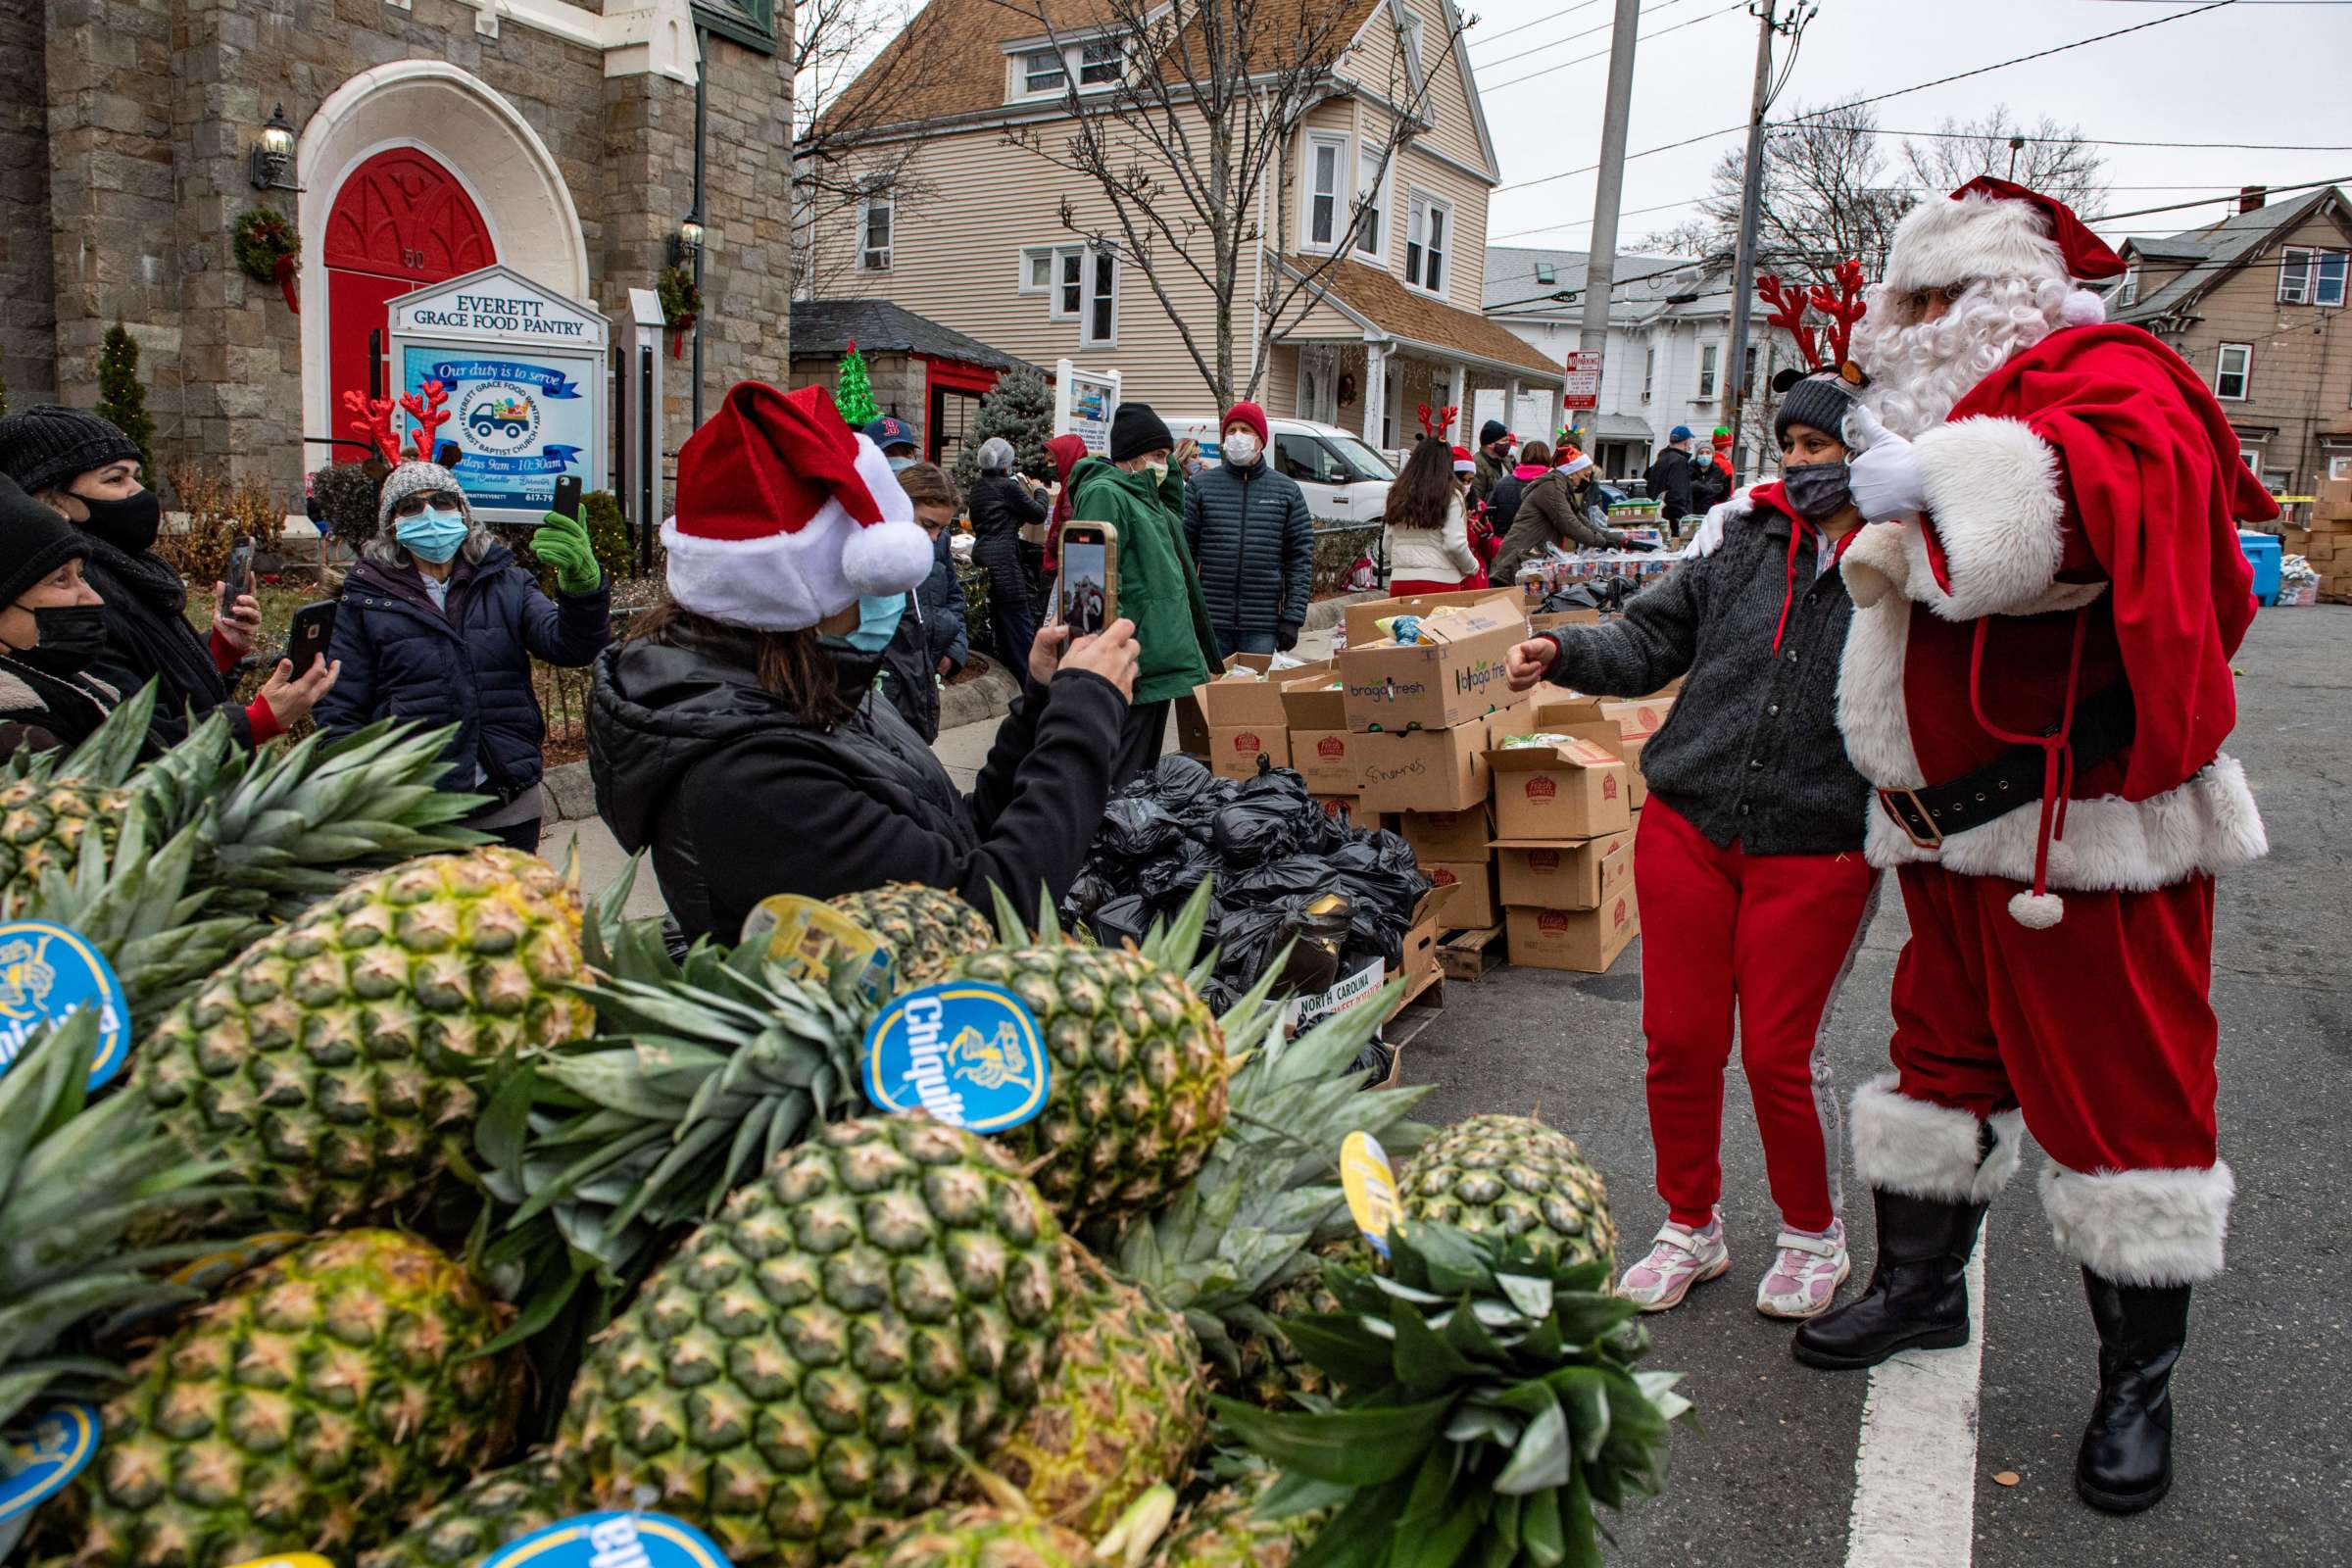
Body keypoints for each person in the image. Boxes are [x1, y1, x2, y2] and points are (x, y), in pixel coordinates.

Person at [1783, 179, 2273, 1516]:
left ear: (2011, 294)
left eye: (1942, 297)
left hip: (2085, 826)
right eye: (1907, 298)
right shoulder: (1950, 399)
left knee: (2125, 1092)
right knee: (1941, 1059)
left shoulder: (2112, 375)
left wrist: (1940, 475)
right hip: (1949, 822)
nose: (1915, 321)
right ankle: (1920, 1286)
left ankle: (2137, 1386)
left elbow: (2111, 503)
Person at [1504, 325, 1881, 1318]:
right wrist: (1563, 652)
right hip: (1689, 823)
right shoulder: (1744, 538)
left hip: (1819, 842)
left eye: (1819, 446)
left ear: (1869, 450)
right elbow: (1649, 639)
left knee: (1780, 1054)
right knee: (1677, 1039)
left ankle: (1813, 1232)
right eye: (1788, 446)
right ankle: (1690, 1224)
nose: (1798, 464)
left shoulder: (1903, 558)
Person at [590, 381, 1138, 942]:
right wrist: (1085, 713)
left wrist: (1043, 701)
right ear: (804, 591)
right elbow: (980, 913)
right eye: (871, 579)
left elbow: (956, 838)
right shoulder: (747, 771)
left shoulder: (814, 687)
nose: (890, 594)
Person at [314, 459, 611, 853]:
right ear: (392, 525)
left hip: (507, 801)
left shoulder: (507, 581)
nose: (429, 514)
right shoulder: (366, 599)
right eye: (411, 506)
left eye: (441, 501)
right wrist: (357, 789)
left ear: (463, 512)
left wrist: (583, 588)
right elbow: (341, 705)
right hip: (414, 812)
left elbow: (571, 646)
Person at [0, 405, 336, 749]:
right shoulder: (65, 599)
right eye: (115, 479)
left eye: (137, 476)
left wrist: (220, 650)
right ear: (49, 501)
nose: (139, 492)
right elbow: (126, 741)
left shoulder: (130, 570)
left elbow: (158, 686)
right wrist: (254, 722)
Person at [1065, 402, 1218, 785]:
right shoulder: (1105, 494)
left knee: (1139, 780)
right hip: (1130, 666)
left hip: (1154, 663)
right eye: (1157, 455)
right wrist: (1103, 661)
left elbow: (1174, 522)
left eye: (1166, 456)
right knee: (1120, 782)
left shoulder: (1147, 499)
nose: (1164, 465)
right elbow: (1088, 587)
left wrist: (1169, 476)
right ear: (1132, 455)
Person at [0, 474, 124, 761]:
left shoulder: (51, 678)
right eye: (60, 579)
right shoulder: (20, 745)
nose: (94, 598)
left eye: (80, 575)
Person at [1182, 401, 1315, 657]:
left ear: (1261, 440)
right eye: (1231, 431)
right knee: (1210, 684)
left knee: (1254, 684)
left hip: (1262, 625)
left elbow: (1299, 559)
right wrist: (1186, 609)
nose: (1237, 436)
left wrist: (1292, 617)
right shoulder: (1201, 487)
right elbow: (1185, 554)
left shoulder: (1287, 491)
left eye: (1245, 430)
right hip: (1211, 622)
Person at [873, 461, 971, 743]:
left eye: (941, 528)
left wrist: (955, 649)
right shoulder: (871, 550)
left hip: (923, 680)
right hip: (885, 691)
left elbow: (953, 597)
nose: (934, 536)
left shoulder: (938, 543)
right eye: (927, 524)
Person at [968, 437, 1050, 689]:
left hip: (982, 554)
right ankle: (1032, 684)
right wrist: (1039, 490)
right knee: (1018, 622)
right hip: (1004, 560)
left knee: (1001, 623)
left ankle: (1012, 678)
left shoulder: (978, 487)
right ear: (1005, 464)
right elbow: (1037, 513)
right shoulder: (1007, 487)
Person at [1493, 448, 1638, 582]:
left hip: (1526, 562)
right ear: (1572, 472)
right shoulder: (1551, 488)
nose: (1587, 481)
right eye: (1585, 475)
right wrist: (1603, 542)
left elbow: (1584, 523)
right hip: (1514, 564)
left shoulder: (1561, 489)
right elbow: (1570, 525)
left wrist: (1622, 541)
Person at [1379, 435, 1481, 596]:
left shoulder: (1397, 493)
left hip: (1400, 581)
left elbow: (1387, 544)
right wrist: (1472, 567)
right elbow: (1455, 544)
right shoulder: (1451, 495)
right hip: (1441, 581)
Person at [1486, 439, 1549, 542]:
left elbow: (1489, 513)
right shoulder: (1551, 485)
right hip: (1538, 545)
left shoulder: (1503, 483)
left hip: (1504, 543)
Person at [1644, 425, 1699, 522]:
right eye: (1690, 441)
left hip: (1657, 517)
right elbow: (1677, 495)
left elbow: (1649, 483)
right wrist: (1683, 520)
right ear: (1686, 442)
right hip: (1672, 520)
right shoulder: (1679, 461)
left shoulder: (1661, 459)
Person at [1690, 425, 1736, 516]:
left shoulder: (1700, 463)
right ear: (1727, 447)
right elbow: (1728, 491)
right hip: (1715, 508)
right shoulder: (1726, 465)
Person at [1472, 419, 1513, 506]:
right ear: (1490, 444)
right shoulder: (1477, 464)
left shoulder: (1506, 460)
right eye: (1504, 440)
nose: (1508, 444)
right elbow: (1476, 499)